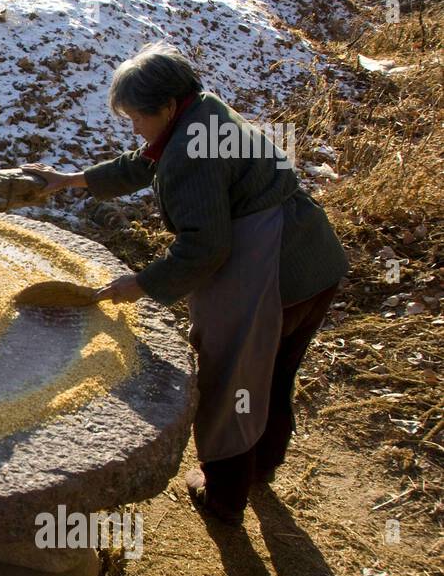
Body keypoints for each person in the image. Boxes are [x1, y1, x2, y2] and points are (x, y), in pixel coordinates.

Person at [24, 42, 348, 525]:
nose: (133, 127)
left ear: (169, 106)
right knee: (276, 371)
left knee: (230, 378)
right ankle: (264, 464)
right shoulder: (205, 111)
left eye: (136, 116)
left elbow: (204, 248)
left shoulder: (189, 153)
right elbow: (144, 160)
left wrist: (141, 283)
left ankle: (225, 494)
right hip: (315, 261)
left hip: (271, 271)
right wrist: (73, 180)